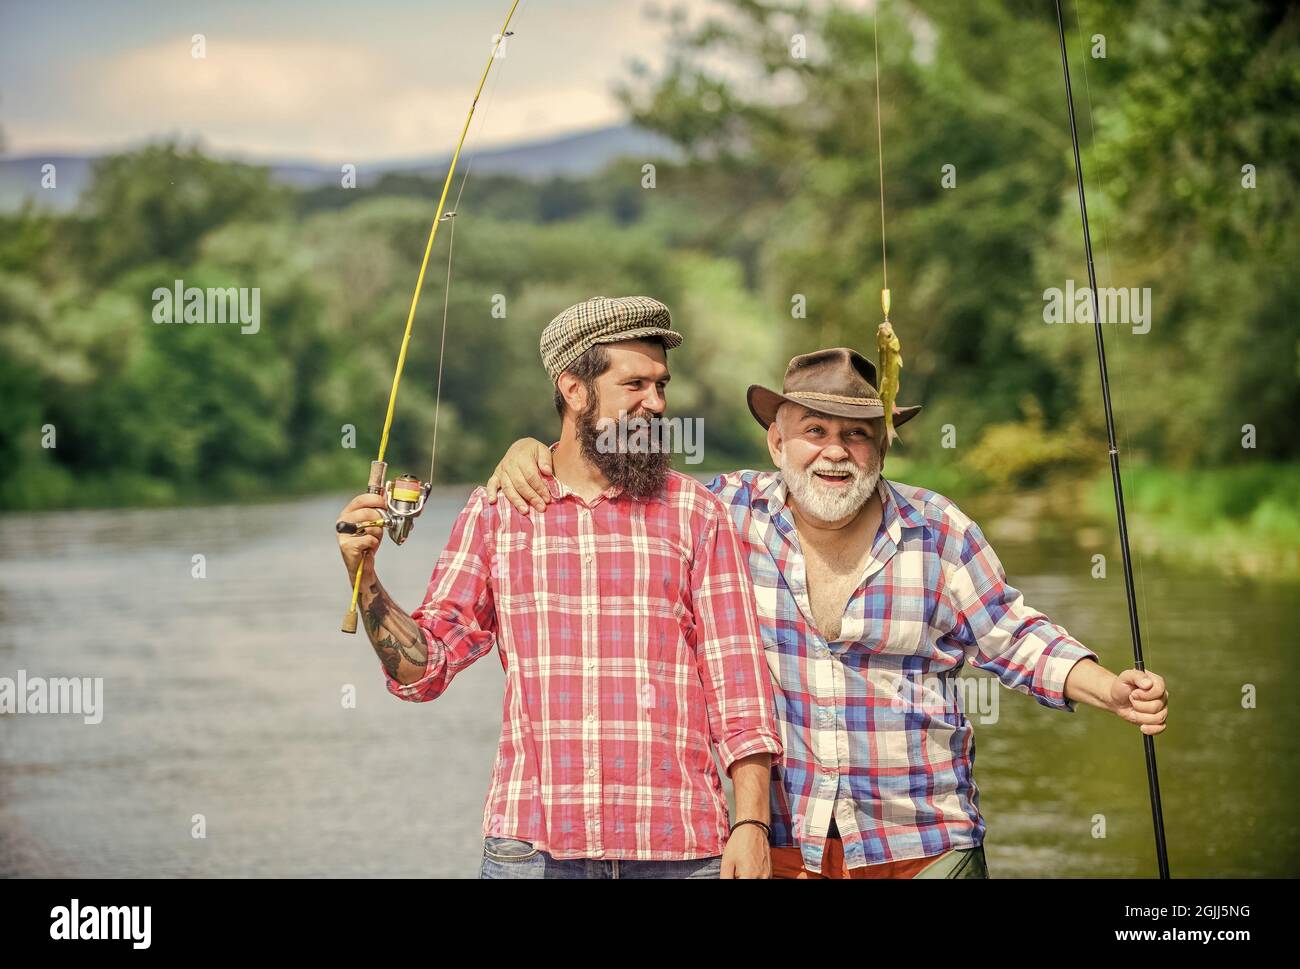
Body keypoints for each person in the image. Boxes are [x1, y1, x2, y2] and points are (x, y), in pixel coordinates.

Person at [485, 346, 1170, 879]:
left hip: (926, 841)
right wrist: (532, 452)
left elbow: (1014, 634)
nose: (836, 451)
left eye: (858, 433)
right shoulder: (721, 513)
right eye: (814, 430)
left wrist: (1107, 686)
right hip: (782, 845)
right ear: (777, 443)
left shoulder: (938, 529)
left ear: (882, 445)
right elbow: (608, 475)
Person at [336, 295, 783, 879]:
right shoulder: (497, 511)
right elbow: (423, 671)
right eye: (635, 385)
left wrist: (751, 825)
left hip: (682, 850)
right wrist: (364, 577)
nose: (657, 403)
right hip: (533, 850)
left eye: (661, 385)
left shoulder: (697, 514)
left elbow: (739, 688)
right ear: (575, 390)